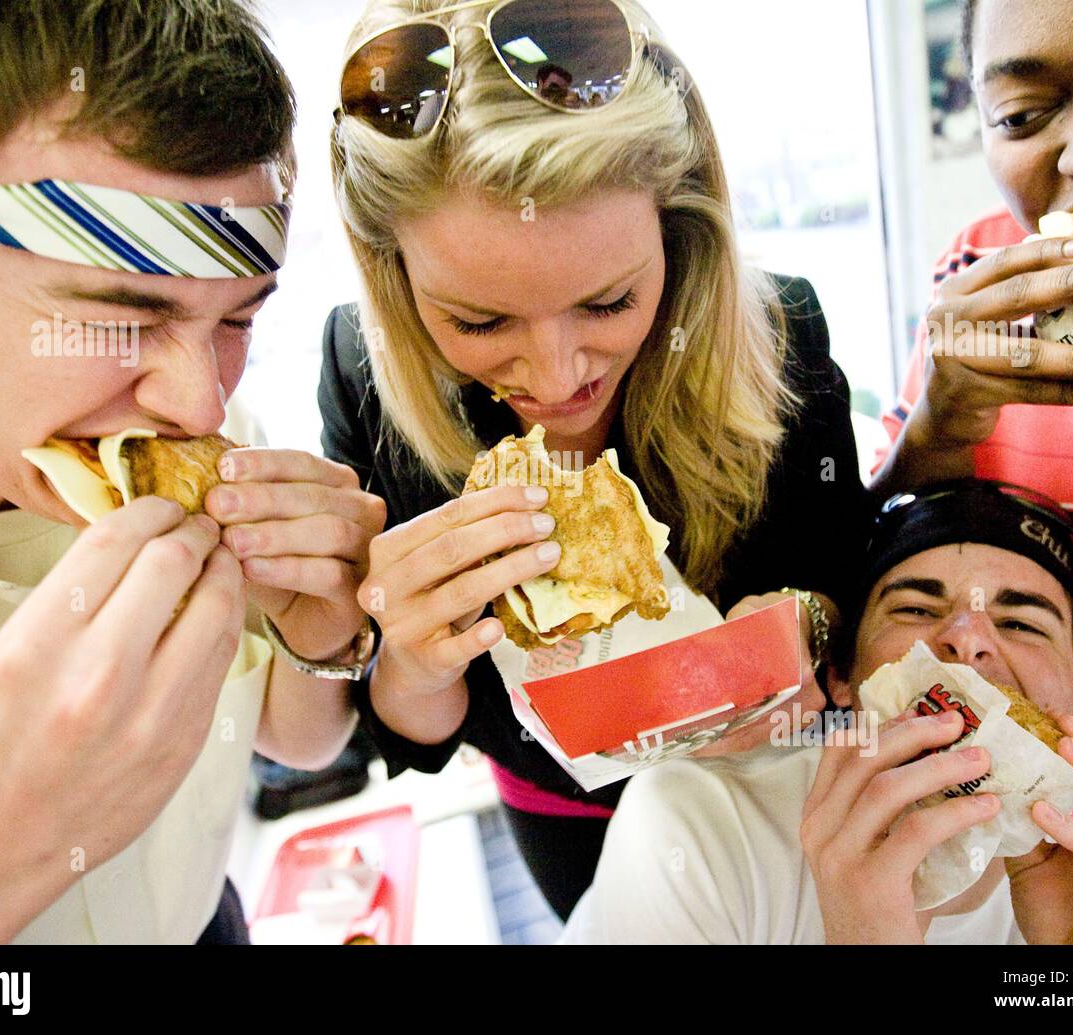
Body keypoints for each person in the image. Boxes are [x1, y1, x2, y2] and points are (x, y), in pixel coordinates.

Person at [321, 0, 869, 920]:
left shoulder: (781, 334)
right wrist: (413, 663)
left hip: (760, 794)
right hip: (553, 802)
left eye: (609, 301)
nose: (557, 374)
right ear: (390, 271)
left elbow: (843, 569)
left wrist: (804, 635)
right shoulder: (362, 378)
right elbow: (407, 735)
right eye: (480, 321)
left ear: (678, 224)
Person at [0, 0, 383, 943]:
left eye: (237, 320)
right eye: (120, 317)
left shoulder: (195, 439)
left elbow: (289, 732)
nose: (198, 405)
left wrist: (323, 638)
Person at [566, 480, 1073, 944]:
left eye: (1020, 621)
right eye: (913, 608)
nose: (965, 637)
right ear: (841, 679)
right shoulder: (692, 822)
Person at [874, 0, 1073, 811]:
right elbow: (874, 569)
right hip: (1033, 858)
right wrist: (935, 433)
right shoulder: (980, 272)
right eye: (1023, 113)